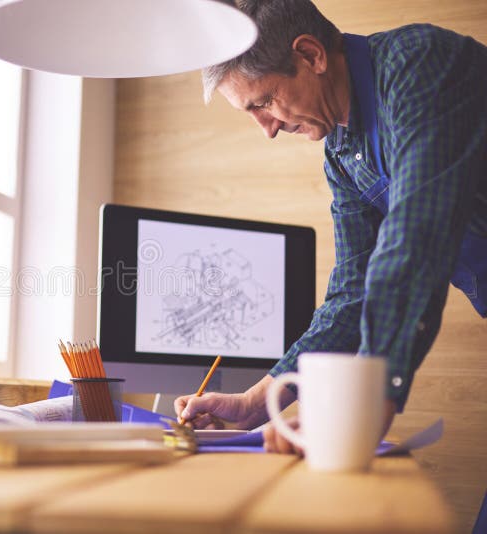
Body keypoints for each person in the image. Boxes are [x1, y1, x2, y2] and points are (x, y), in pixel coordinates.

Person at [175, 0, 487, 454]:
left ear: (310, 56)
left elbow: (416, 238)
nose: (267, 130)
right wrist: (260, 400)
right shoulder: (342, 154)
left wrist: (363, 402)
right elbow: (352, 294)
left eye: (263, 103)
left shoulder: (420, 64)